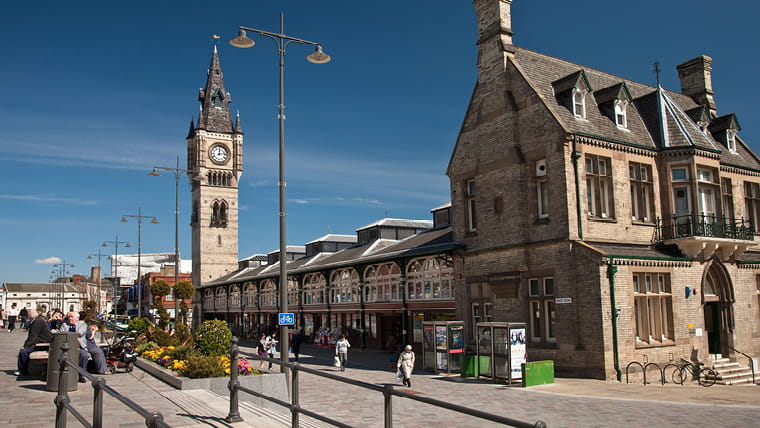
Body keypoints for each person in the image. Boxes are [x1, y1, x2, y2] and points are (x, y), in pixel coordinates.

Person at [55, 311, 108, 381]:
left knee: (84, 355)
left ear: (77, 318)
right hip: (67, 347)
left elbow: (79, 334)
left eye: (71, 317)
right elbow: (62, 334)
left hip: (79, 346)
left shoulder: (82, 325)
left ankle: (81, 375)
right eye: (69, 317)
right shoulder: (64, 325)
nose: (70, 318)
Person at [14, 309, 52, 376]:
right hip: (39, 343)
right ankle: (22, 369)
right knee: (24, 351)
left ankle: (22, 370)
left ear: (31, 316)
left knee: (23, 352)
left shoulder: (37, 322)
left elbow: (33, 336)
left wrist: (25, 346)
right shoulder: (37, 320)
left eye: (28, 315)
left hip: (42, 344)